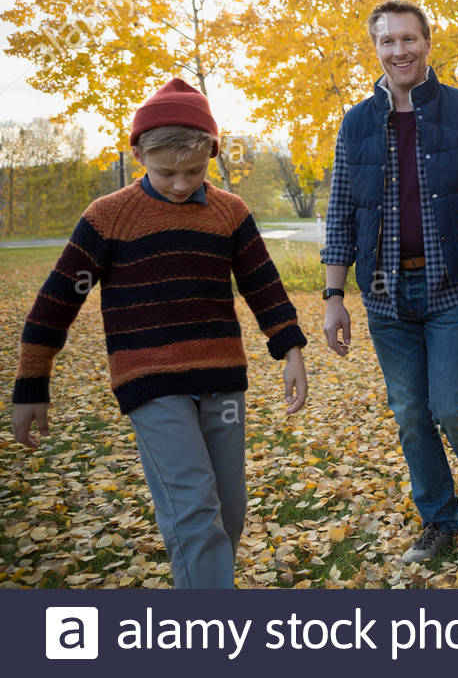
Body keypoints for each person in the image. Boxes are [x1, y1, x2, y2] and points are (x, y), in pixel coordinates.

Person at [10, 77, 309, 589]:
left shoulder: (229, 213)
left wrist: (291, 350)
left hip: (222, 379)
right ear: (139, 155)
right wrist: (31, 384)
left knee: (229, 507)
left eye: (194, 171)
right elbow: (58, 301)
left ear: (212, 154)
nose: (179, 183)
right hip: (149, 381)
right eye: (166, 171)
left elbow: (262, 285)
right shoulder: (108, 218)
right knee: (193, 504)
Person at [321, 0, 458, 564]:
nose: (399, 50)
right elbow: (339, 211)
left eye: (409, 39)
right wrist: (335, 297)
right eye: (388, 41)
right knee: (411, 414)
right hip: (385, 296)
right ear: (376, 48)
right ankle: (439, 521)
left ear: (427, 42)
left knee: (453, 406)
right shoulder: (357, 123)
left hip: (451, 288)